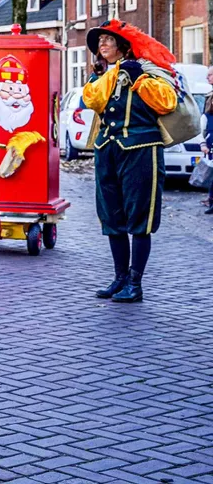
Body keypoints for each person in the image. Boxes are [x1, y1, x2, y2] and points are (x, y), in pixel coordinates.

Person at [82, 20, 177, 302]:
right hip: (108, 150)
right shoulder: (104, 76)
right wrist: (98, 76)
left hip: (140, 150)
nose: (101, 46)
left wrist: (138, 79)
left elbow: (167, 101)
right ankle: (119, 278)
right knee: (113, 217)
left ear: (123, 46)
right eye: (99, 43)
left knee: (140, 218)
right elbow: (92, 100)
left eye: (107, 40)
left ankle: (135, 283)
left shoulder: (147, 70)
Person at [203, 66, 213, 214]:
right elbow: (204, 119)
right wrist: (203, 142)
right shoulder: (209, 96)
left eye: (210, 75)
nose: (207, 78)